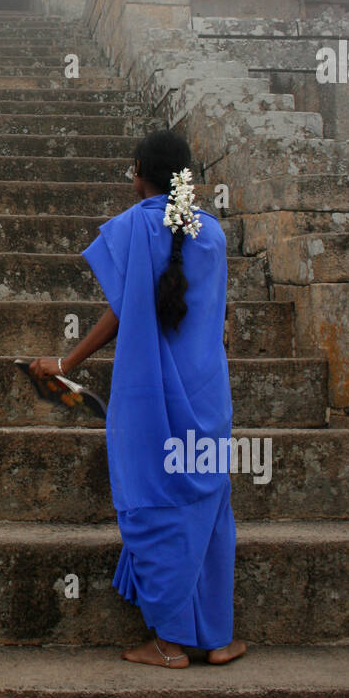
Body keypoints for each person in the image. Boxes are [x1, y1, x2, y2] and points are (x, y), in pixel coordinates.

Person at [29, 130, 246, 668]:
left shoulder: (131, 229)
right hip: (208, 395)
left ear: (144, 174)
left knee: (154, 504)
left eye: (132, 170)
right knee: (211, 508)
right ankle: (217, 640)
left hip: (150, 398)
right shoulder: (213, 236)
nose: (130, 179)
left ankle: (169, 643)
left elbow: (124, 312)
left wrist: (65, 364)